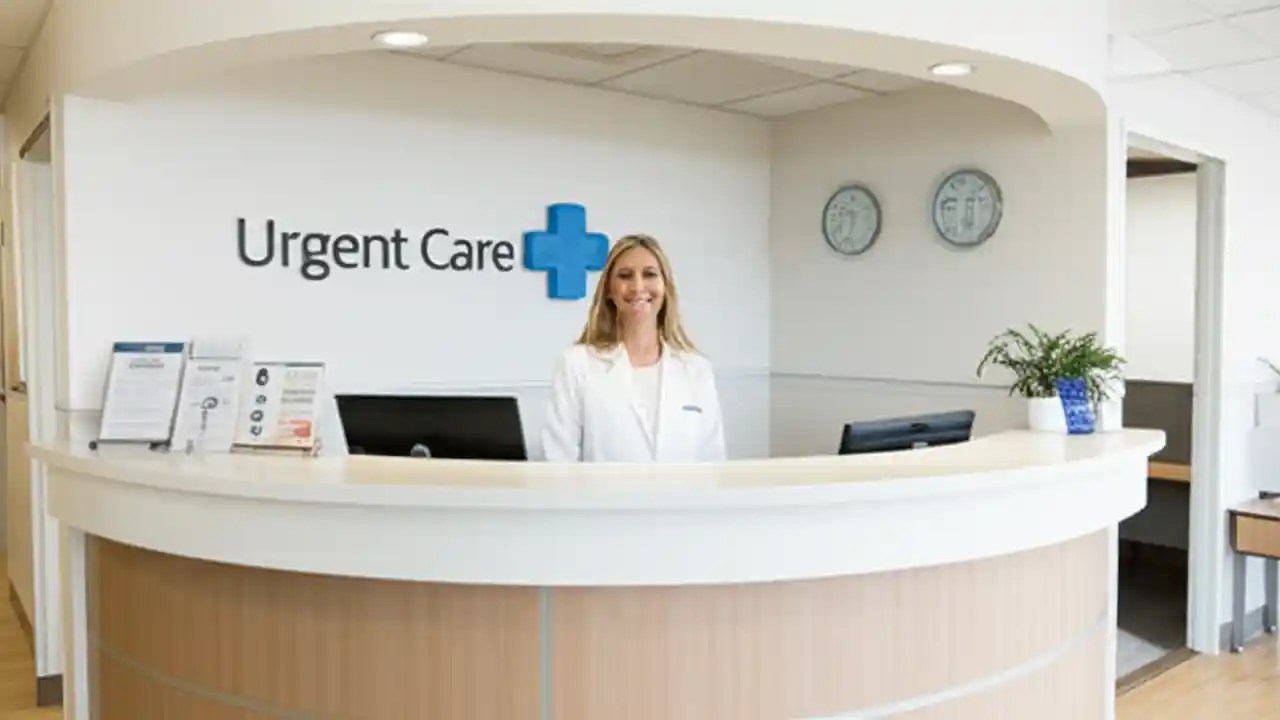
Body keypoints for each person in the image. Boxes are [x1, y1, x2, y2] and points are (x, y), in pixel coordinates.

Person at [541, 233, 726, 462]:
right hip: (602, 498)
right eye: (625, 276)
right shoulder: (576, 364)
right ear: (609, 289)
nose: (638, 286)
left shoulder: (697, 370)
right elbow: (557, 462)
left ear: (665, 287)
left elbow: (714, 465)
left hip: (682, 498)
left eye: (649, 274)